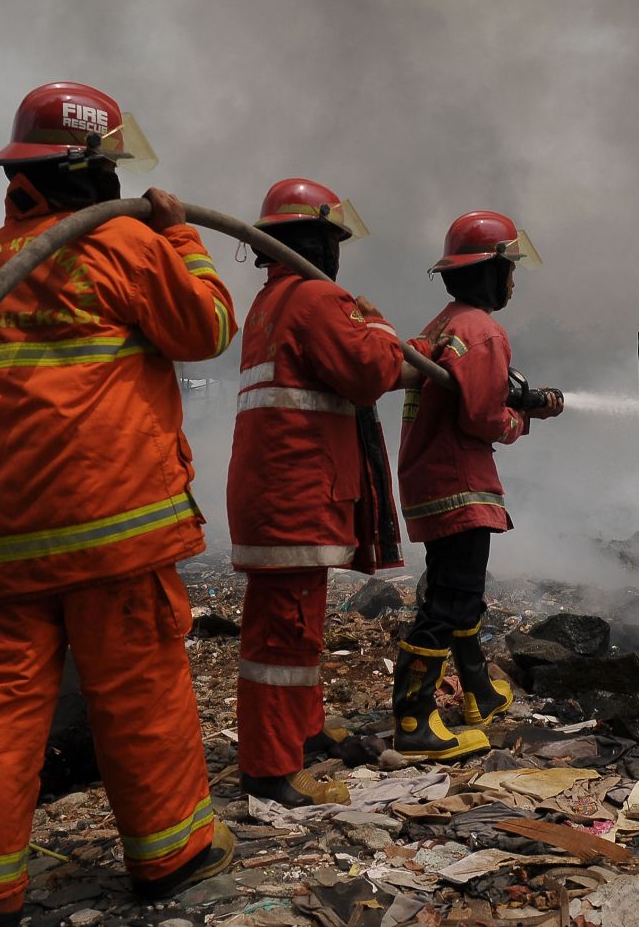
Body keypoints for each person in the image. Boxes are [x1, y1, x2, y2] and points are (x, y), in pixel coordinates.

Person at [0, 82, 237, 926]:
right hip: (109, 530)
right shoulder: (123, 241)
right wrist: (181, 234)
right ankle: (172, 856)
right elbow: (208, 326)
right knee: (138, 688)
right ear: (89, 170)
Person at [227, 177, 405, 807]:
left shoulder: (272, 302)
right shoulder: (318, 298)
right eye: (331, 239)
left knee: (296, 627)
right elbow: (373, 370)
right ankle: (270, 769)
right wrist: (376, 321)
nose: (336, 253)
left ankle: (299, 734)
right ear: (309, 239)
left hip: (280, 493)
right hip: (296, 495)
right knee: (282, 637)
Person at [394, 210, 563, 761]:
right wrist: (522, 418)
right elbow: (483, 419)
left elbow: (466, 394)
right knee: (447, 603)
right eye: (509, 269)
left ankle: (479, 695)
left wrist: (518, 398)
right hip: (461, 486)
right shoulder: (485, 331)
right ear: (489, 273)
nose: (513, 281)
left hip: (432, 481)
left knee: (460, 594)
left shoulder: (445, 324)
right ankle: (414, 719)